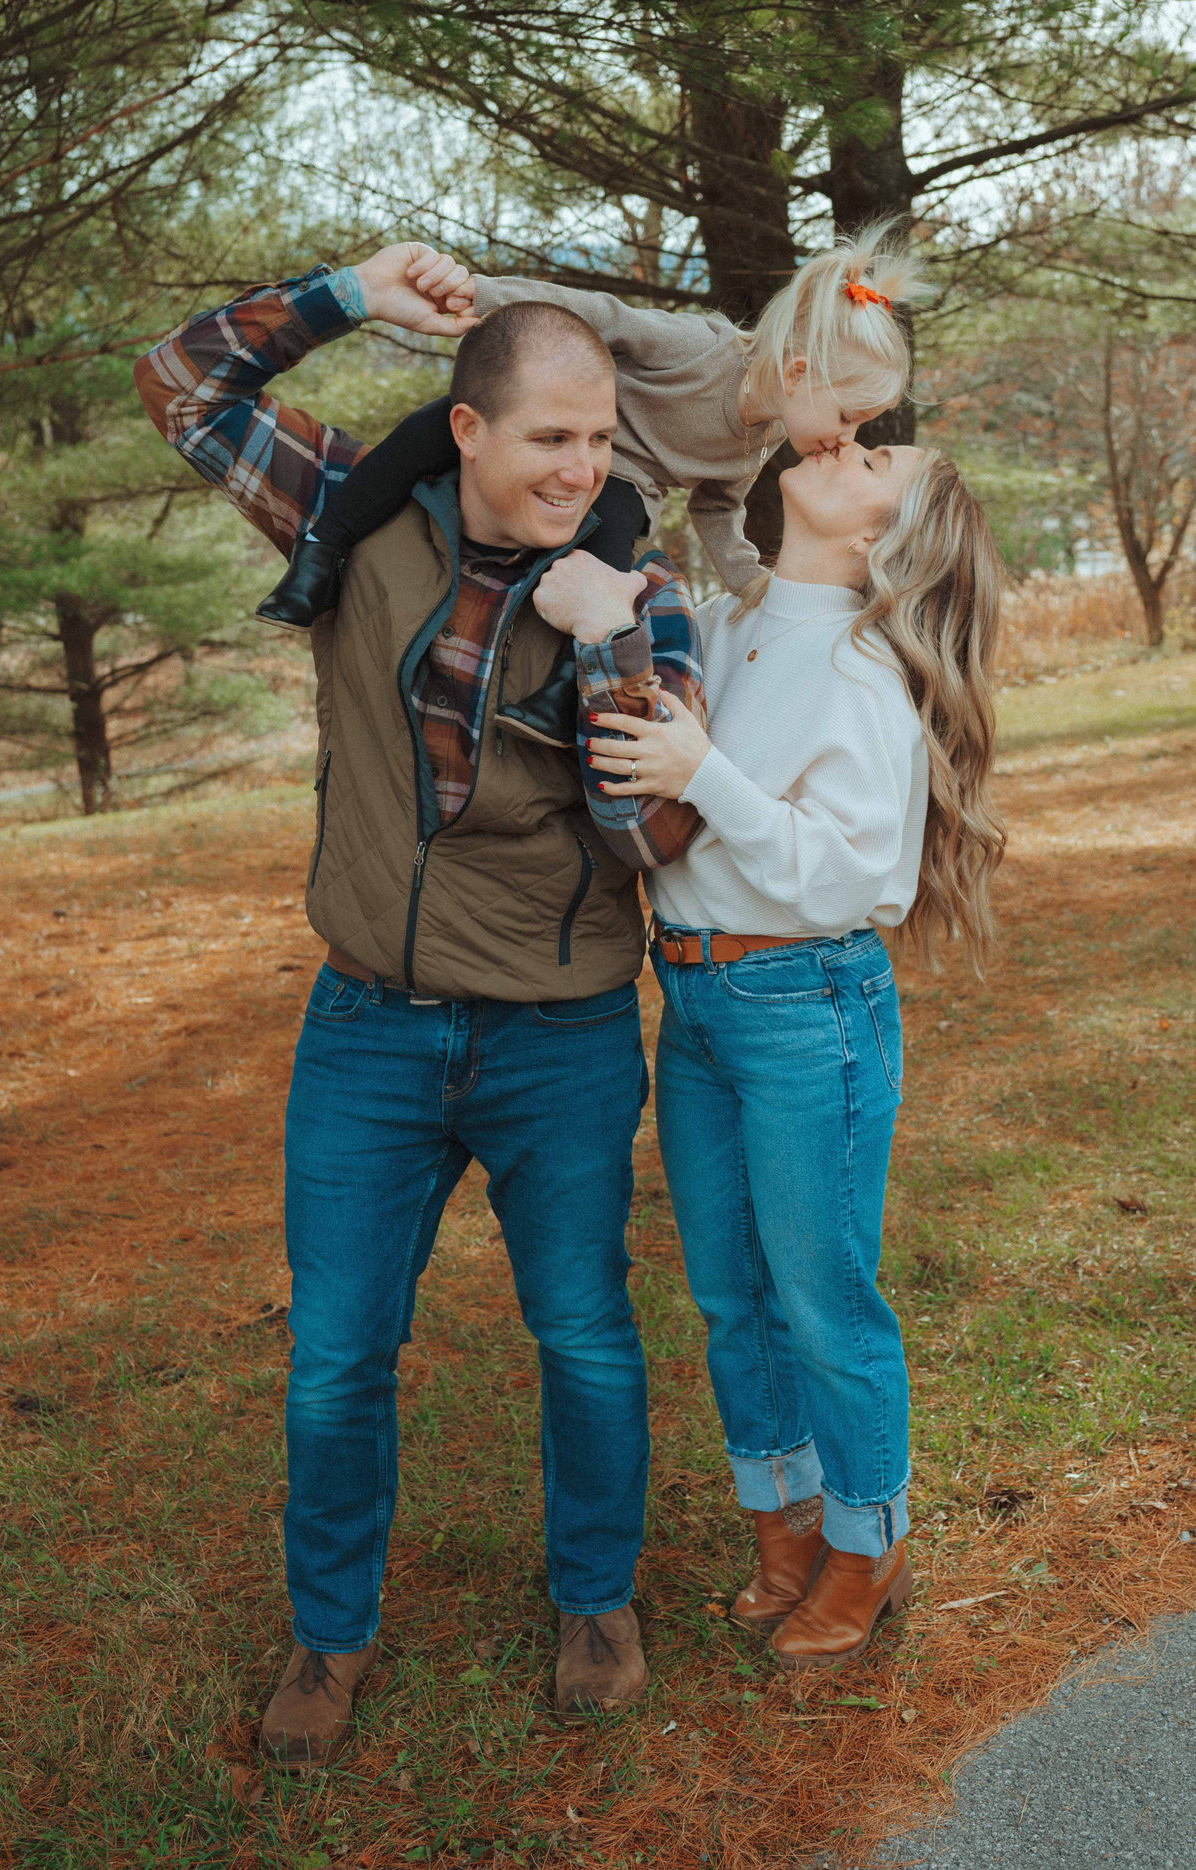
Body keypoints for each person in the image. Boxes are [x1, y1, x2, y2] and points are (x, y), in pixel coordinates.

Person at [133, 245, 707, 1766]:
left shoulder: (643, 591)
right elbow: (180, 382)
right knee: (335, 1354)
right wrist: (344, 297)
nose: (583, 469)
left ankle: (598, 1598)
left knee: (582, 1332)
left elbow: (657, 837)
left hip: (563, 1032)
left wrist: (607, 642)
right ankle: (330, 1636)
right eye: (548, 439)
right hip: (370, 1028)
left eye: (598, 441)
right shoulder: (355, 515)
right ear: (467, 431)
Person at [578, 436, 1006, 1669]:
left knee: (823, 1298)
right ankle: (785, 1520)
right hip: (696, 995)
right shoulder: (729, 617)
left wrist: (702, 773)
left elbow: (856, 875)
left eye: (878, 456)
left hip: (804, 1002)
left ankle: (872, 1542)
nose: (840, 444)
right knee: (728, 1293)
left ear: (881, 535)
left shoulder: (866, 668)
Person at [253, 230, 925, 748]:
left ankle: (558, 692)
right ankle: (321, 554)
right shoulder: (701, 350)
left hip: (624, 485)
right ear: (800, 371)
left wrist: (759, 587)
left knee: (613, 553)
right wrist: (480, 293)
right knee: (426, 434)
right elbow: (597, 314)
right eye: (848, 417)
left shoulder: (765, 437)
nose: (848, 438)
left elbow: (719, 511)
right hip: (572, 427)